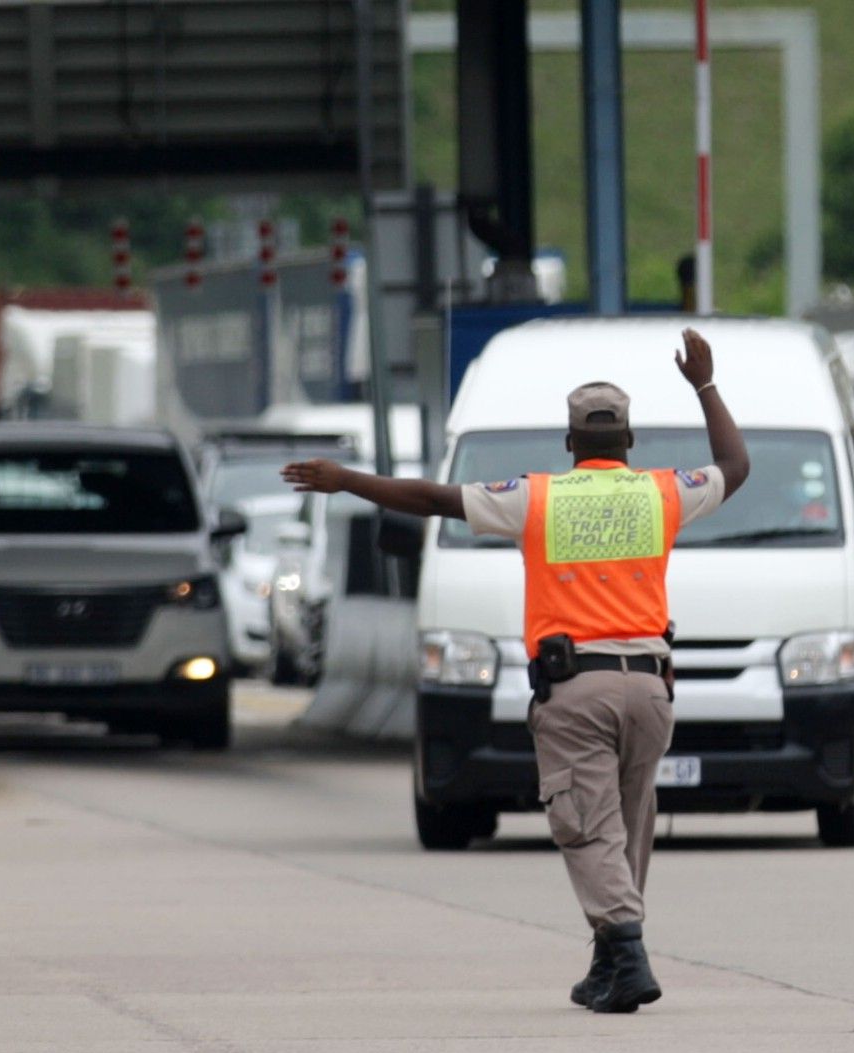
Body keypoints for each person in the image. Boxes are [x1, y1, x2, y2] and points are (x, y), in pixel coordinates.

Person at [282, 328, 749, 1014]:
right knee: (626, 823)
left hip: (578, 687)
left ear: (568, 445)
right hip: (651, 689)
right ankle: (607, 965)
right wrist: (705, 384)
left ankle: (627, 950)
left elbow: (430, 499)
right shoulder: (662, 492)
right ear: (630, 441)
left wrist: (346, 480)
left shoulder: (537, 498)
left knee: (587, 829)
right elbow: (735, 466)